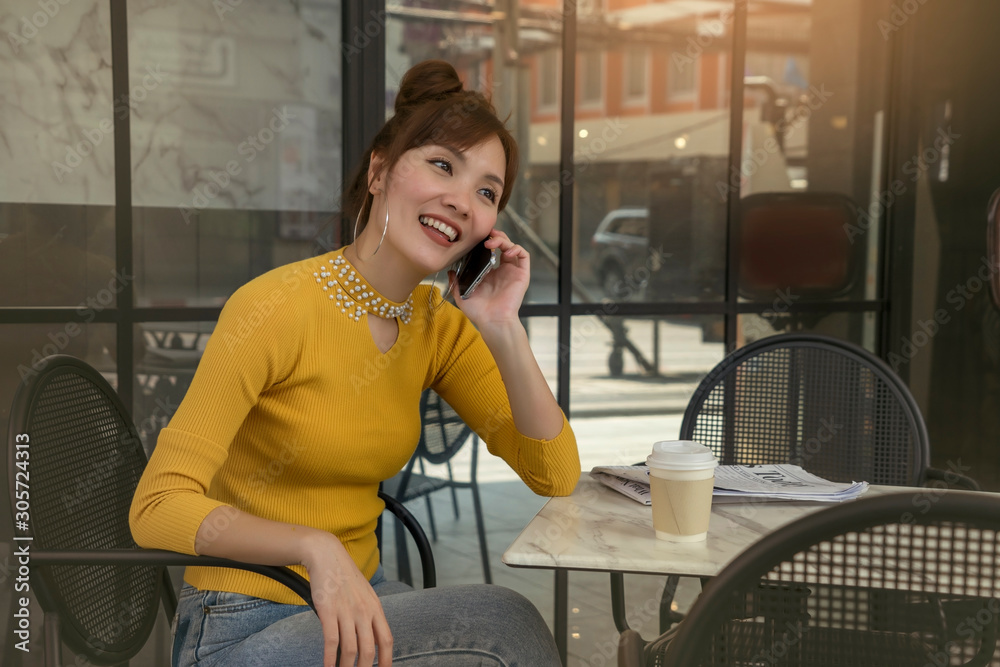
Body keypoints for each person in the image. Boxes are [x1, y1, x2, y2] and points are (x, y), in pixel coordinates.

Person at [129, 59, 580, 667]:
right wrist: (313, 547)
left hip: (356, 608)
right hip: (241, 623)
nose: (461, 201)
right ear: (379, 171)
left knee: (497, 634)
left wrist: (502, 328)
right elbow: (156, 508)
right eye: (442, 165)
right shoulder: (274, 308)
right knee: (504, 623)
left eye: (487, 192)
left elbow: (555, 474)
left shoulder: (438, 324)